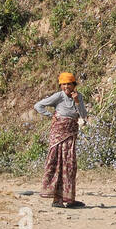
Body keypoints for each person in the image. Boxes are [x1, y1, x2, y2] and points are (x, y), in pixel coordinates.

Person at [34, 72, 88, 208]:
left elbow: (83, 115)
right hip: (59, 134)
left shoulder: (78, 97)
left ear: (74, 85)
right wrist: (51, 115)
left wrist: (77, 101)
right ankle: (57, 200)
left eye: (69, 84)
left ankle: (69, 198)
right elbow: (38, 106)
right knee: (57, 163)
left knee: (69, 165)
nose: (66, 87)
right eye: (64, 84)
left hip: (71, 133)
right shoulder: (58, 96)